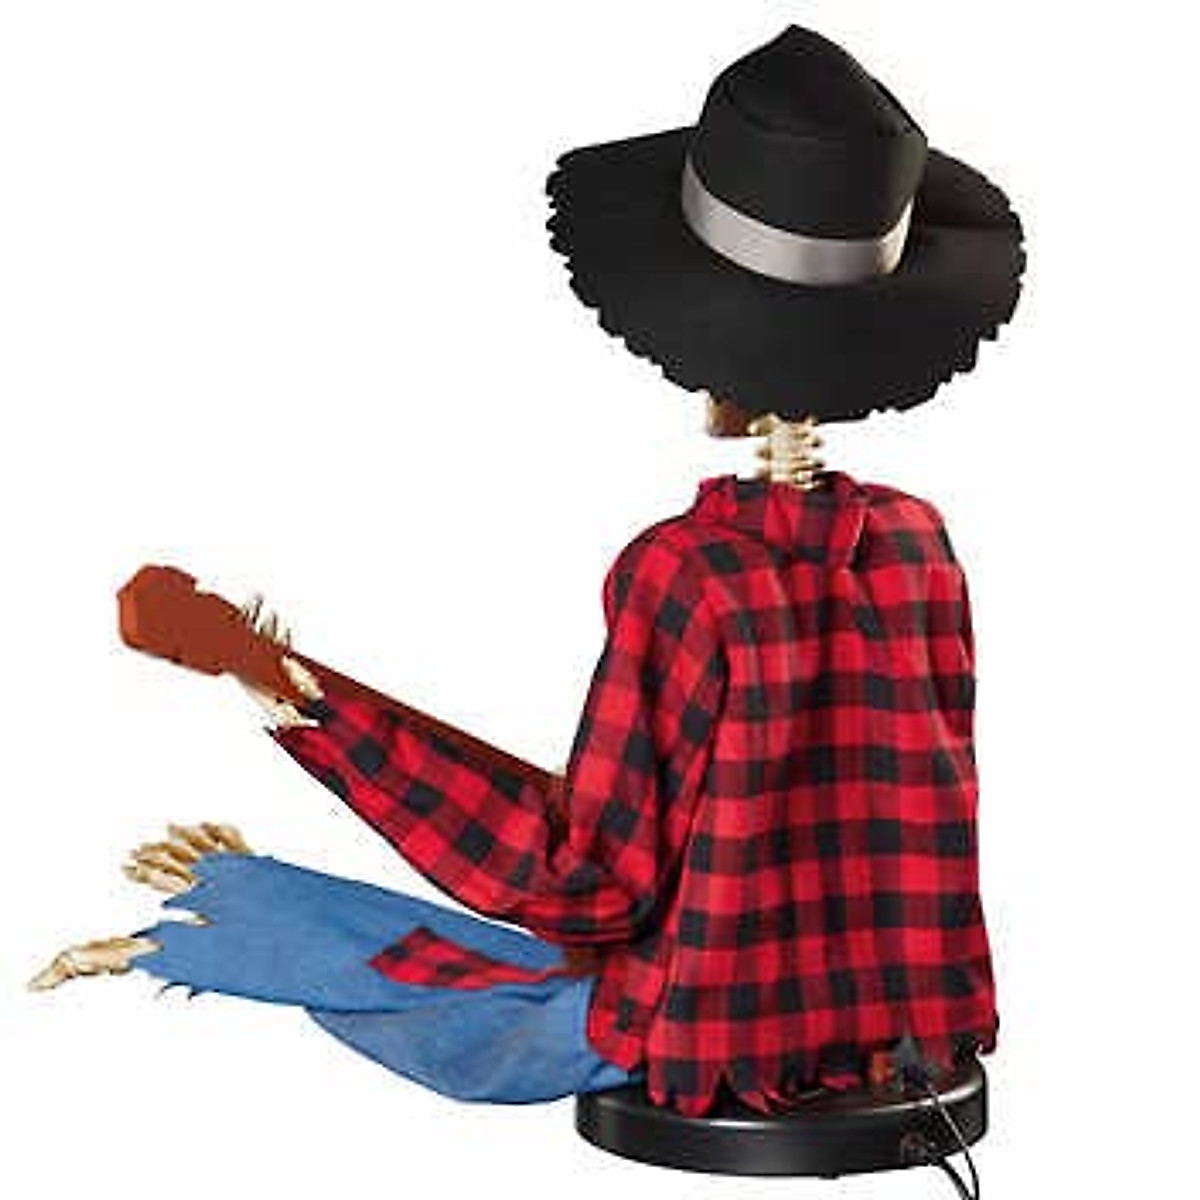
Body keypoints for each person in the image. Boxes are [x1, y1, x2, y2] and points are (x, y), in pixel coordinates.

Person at [29, 25, 1023, 1119]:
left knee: (411, 978)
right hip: (903, 1046)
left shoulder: (686, 574)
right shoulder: (920, 546)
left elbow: (589, 882)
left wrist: (292, 696)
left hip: (706, 1042)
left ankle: (226, 920)